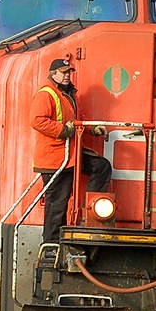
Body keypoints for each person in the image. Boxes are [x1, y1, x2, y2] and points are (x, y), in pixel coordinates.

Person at [30, 58, 113, 242]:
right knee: (57, 203)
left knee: (101, 166)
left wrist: (93, 128)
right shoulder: (46, 94)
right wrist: (63, 130)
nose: (67, 75)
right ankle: (51, 245)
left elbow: (77, 118)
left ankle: (89, 216)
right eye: (64, 72)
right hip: (54, 158)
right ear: (53, 74)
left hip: (70, 153)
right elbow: (37, 120)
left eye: (69, 72)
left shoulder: (69, 94)